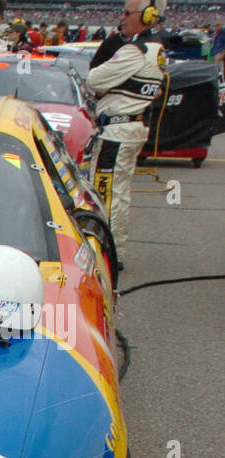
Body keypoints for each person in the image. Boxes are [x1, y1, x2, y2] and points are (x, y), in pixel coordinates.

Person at [88, 2, 166, 265]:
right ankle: (115, 250)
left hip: (118, 131)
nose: (121, 18)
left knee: (106, 192)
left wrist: (111, 81)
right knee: (119, 192)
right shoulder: (156, 49)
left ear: (145, 17)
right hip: (133, 127)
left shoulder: (136, 50)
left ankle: (107, 253)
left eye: (126, 13)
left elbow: (95, 79)